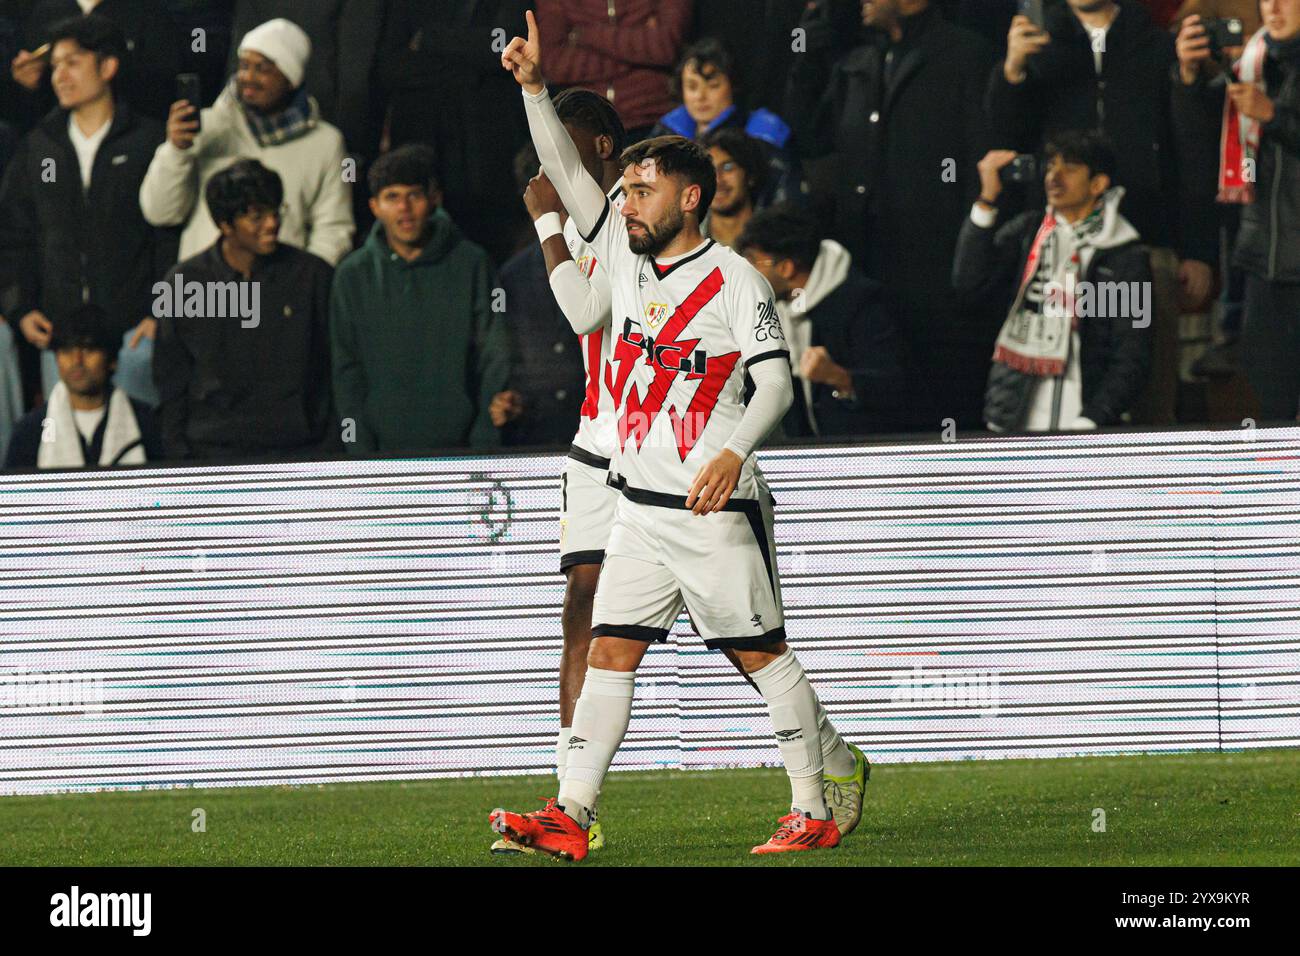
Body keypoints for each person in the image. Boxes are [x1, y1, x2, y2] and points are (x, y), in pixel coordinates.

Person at [490, 12, 869, 861]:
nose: (626, 199)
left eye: (643, 188)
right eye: (622, 188)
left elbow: (775, 380)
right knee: (610, 648)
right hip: (637, 506)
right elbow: (560, 170)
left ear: (690, 196)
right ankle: (571, 813)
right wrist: (534, 91)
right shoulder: (621, 260)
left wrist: (734, 454)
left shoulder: (738, 280)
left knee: (761, 654)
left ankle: (815, 801)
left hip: (712, 502)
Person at [988, 2, 1218, 426]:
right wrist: (1012, 73)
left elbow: (1191, 153)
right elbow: (1001, 145)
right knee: (1054, 398)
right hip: (1055, 254)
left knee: (1146, 395)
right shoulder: (1039, 47)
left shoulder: (1157, 46)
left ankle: (1141, 490)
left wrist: (1198, 248)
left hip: (1147, 245)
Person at [787, 0, 998, 431]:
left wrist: (968, 263)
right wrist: (809, 51)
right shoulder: (858, 60)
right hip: (868, 275)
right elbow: (810, 136)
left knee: (944, 417)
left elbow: (982, 163)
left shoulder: (966, 54)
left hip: (940, 285)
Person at [0, 14, 175, 408]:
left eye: (73, 62)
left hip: (133, 334)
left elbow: (169, 236)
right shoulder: (38, 147)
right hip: (62, 336)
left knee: (134, 451)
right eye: (55, 65)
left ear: (108, 66)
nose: (60, 74)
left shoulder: (149, 142)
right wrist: (21, 307)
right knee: (66, 457)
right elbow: (14, 235)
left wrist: (158, 312)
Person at [953, 132, 1155, 432]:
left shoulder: (1122, 254)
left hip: (1085, 424)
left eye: (1069, 168)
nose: (1054, 177)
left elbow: (1132, 353)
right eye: (1050, 167)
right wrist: (986, 201)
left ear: (1098, 183)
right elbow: (969, 285)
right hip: (1015, 418)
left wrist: (1094, 419)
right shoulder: (1028, 233)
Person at [329, 144, 510, 454]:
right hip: (379, 456)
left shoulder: (472, 262)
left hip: (464, 452)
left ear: (434, 199)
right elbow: (346, 371)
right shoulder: (352, 275)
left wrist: (484, 441)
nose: (404, 208)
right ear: (374, 206)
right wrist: (360, 453)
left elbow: (494, 355)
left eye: (414, 195)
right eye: (392, 197)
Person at [152, 159, 337, 460]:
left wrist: (328, 451)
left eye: (275, 211)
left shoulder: (313, 276)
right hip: (212, 450)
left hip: (299, 449)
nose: (272, 224)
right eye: (256, 217)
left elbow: (333, 370)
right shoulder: (184, 283)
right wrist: (180, 459)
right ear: (225, 225)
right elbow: (171, 379)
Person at [139, 17, 354, 266]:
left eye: (262, 68)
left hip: (281, 293)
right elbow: (160, 213)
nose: (248, 77)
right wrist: (176, 151)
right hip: (210, 289)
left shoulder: (327, 144)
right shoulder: (204, 127)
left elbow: (334, 230)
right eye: (244, 65)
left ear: (290, 78)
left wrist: (302, 285)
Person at [1173, 3, 1300, 421]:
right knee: (1272, 408)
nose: (1273, 7)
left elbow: (1271, 118)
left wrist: (1274, 116)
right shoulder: (1256, 60)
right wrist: (1193, 77)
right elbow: (1201, 140)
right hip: (1263, 261)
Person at [378, 0, 532, 267]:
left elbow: (505, 47)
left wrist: (429, 39)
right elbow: (391, 67)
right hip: (428, 145)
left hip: (490, 152)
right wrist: (472, 68)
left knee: (494, 252)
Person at [739, 203, 909, 436]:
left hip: (865, 457)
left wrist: (837, 376)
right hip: (806, 460)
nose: (745, 274)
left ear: (787, 268)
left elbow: (896, 389)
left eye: (753, 263)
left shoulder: (863, 304)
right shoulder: (770, 314)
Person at [495, 143, 587, 449]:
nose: (556, 204)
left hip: (603, 439)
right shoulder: (513, 276)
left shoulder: (613, 259)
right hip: (538, 439)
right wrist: (510, 399)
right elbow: (508, 360)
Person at [5, 303, 163, 469]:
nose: (77, 361)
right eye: (66, 351)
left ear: (112, 360)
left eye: (88, 350)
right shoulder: (29, 432)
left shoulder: (147, 424)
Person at [652, 37, 804, 208]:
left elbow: (786, 203)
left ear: (734, 86)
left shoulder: (765, 136)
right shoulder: (666, 133)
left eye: (713, 85)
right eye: (692, 87)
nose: (701, 97)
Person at [536, 0, 691, 140]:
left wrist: (583, 35)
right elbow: (553, 64)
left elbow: (663, 47)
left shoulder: (581, 34)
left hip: (654, 119)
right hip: (583, 124)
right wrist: (639, 55)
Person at [699, 127, 766, 249]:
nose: (718, 180)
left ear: (750, 175)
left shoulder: (777, 240)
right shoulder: (680, 242)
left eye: (728, 167)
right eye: (709, 169)